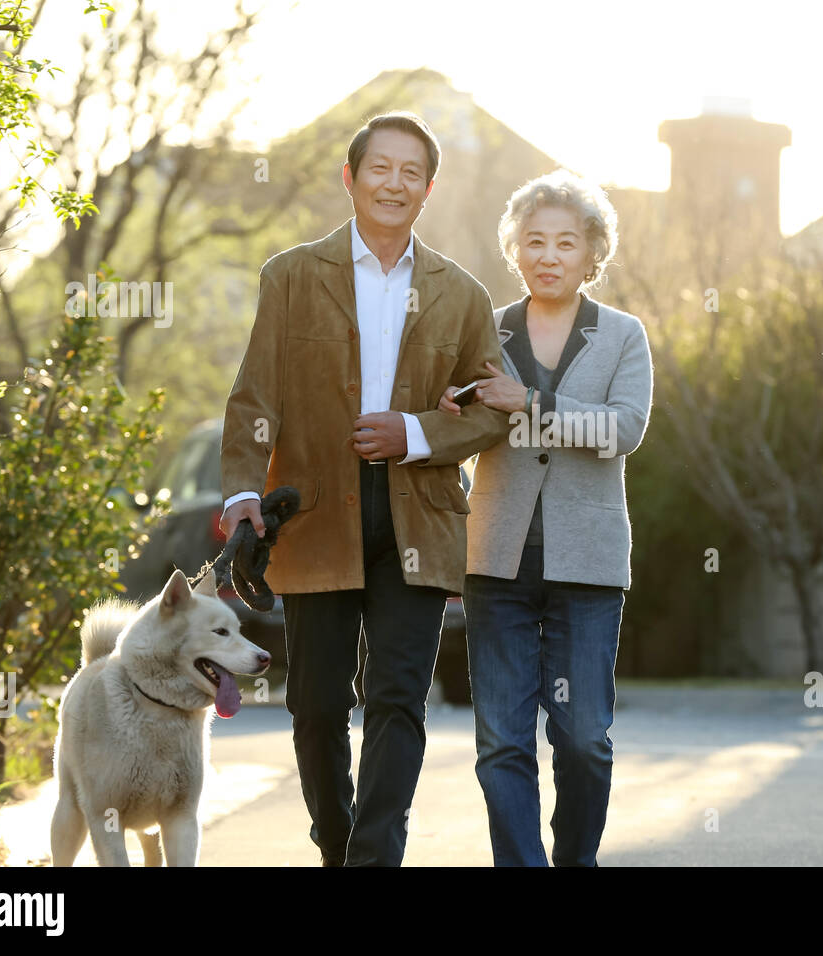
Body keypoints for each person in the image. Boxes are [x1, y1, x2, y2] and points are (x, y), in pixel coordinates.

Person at [220, 111, 510, 866]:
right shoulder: (290, 276)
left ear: (429, 188)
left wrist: (414, 434)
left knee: (397, 698)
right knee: (316, 704)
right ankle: (338, 843)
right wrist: (241, 495)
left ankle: (374, 858)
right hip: (314, 512)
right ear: (351, 178)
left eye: (411, 172)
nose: (395, 183)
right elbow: (255, 399)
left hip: (420, 514)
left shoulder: (463, 292)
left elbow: (493, 405)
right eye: (380, 168)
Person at [438, 169, 653, 866]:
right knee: (501, 740)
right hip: (496, 562)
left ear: (593, 253)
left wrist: (529, 403)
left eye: (566, 242)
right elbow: (464, 426)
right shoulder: (485, 331)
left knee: (584, 736)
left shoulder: (623, 336)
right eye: (535, 241)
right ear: (515, 250)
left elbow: (622, 430)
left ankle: (575, 860)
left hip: (587, 566)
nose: (549, 255)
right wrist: (453, 412)